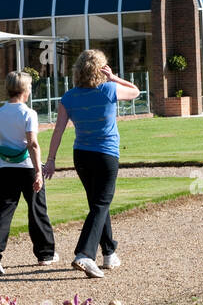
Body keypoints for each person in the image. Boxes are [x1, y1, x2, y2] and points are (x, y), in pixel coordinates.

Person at [42, 49, 140, 279]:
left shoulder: (69, 97)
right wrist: (114, 77)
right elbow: (135, 92)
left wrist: (51, 160)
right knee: (100, 204)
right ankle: (84, 254)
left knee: (98, 204)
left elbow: (58, 130)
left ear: (78, 71)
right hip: (105, 154)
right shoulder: (108, 89)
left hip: (82, 156)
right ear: (101, 69)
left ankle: (108, 253)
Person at [0, 70, 55, 274]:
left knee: (2, 211)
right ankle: (45, 253)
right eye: (30, 86)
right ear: (25, 89)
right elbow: (32, 144)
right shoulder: (28, 113)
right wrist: (39, 172)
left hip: (4, 167)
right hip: (26, 167)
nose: (31, 90)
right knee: (37, 209)